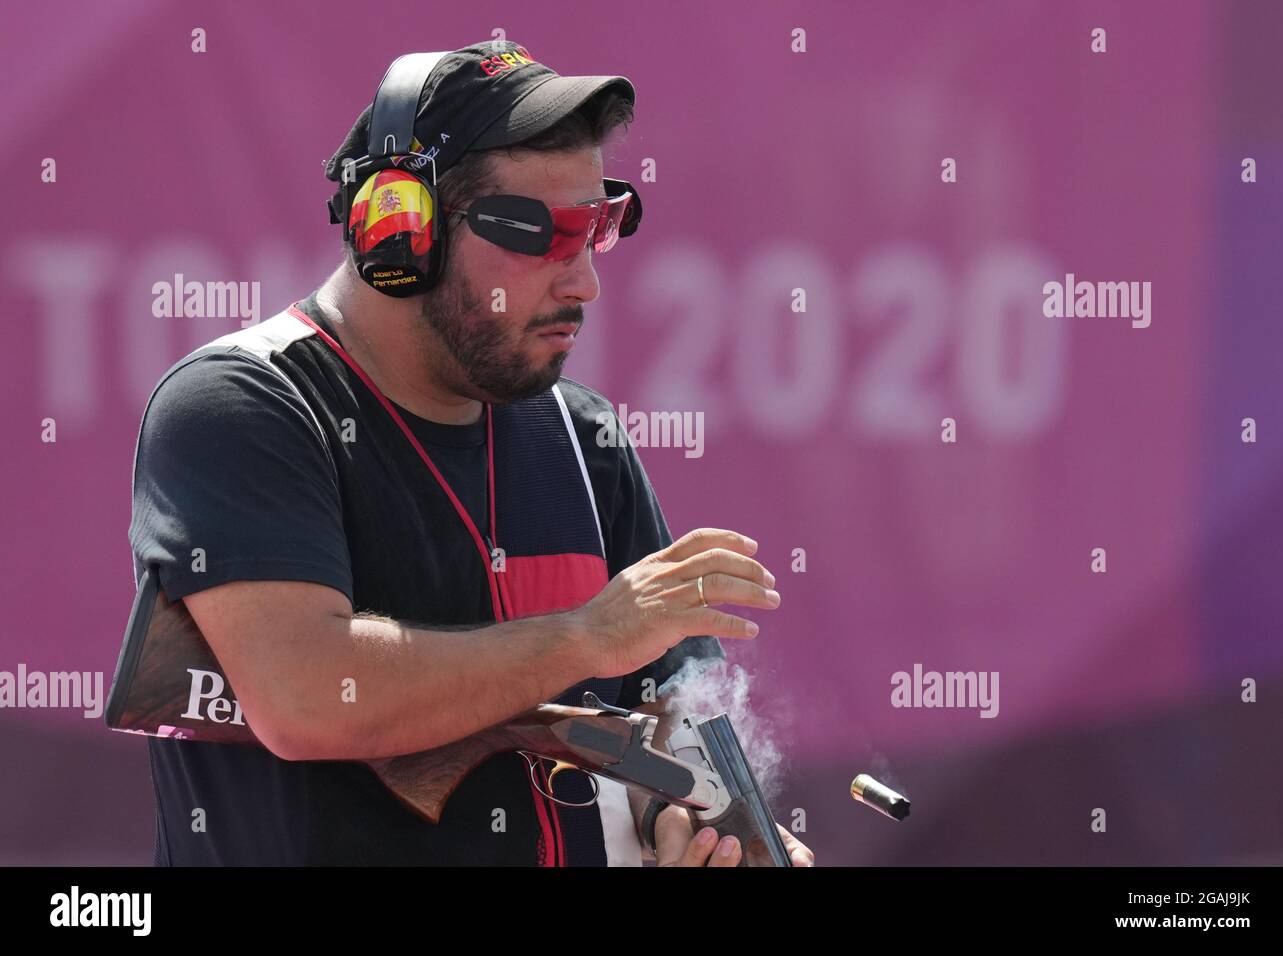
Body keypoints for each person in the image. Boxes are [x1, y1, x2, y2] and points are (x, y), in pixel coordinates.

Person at [127, 40, 812, 867]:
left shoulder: (579, 434)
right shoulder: (244, 406)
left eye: (598, 227)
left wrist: (693, 822)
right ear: (400, 230)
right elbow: (309, 695)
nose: (584, 281)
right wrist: (587, 637)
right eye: (541, 235)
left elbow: (672, 703)